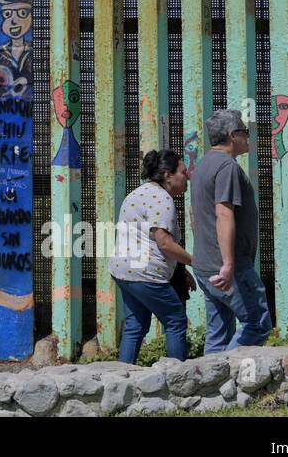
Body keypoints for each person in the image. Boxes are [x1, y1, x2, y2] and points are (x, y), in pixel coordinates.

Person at [189, 107, 273, 353]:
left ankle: (211, 387)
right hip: (228, 267)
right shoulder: (227, 167)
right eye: (244, 132)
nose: (248, 137)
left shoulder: (202, 166)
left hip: (205, 265)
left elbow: (195, 216)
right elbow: (223, 213)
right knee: (257, 324)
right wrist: (227, 264)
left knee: (219, 334)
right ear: (231, 134)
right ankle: (233, 377)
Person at [108, 149, 195, 364]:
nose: (188, 177)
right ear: (168, 175)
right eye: (184, 173)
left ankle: (121, 379)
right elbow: (164, 242)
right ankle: (178, 378)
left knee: (135, 325)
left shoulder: (138, 193)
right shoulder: (162, 199)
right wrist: (196, 262)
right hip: (146, 273)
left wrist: (181, 271)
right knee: (175, 320)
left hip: (123, 271)